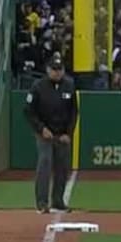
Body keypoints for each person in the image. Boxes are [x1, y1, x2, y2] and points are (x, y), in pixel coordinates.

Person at [25, 53, 78, 213]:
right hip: (44, 133)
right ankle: (42, 202)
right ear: (48, 69)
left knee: (62, 167)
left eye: (60, 69)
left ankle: (58, 201)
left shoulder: (69, 85)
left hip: (62, 133)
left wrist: (68, 133)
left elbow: (74, 112)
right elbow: (28, 111)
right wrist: (41, 129)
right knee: (45, 163)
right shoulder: (38, 86)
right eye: (54, 69)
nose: (57, 72)